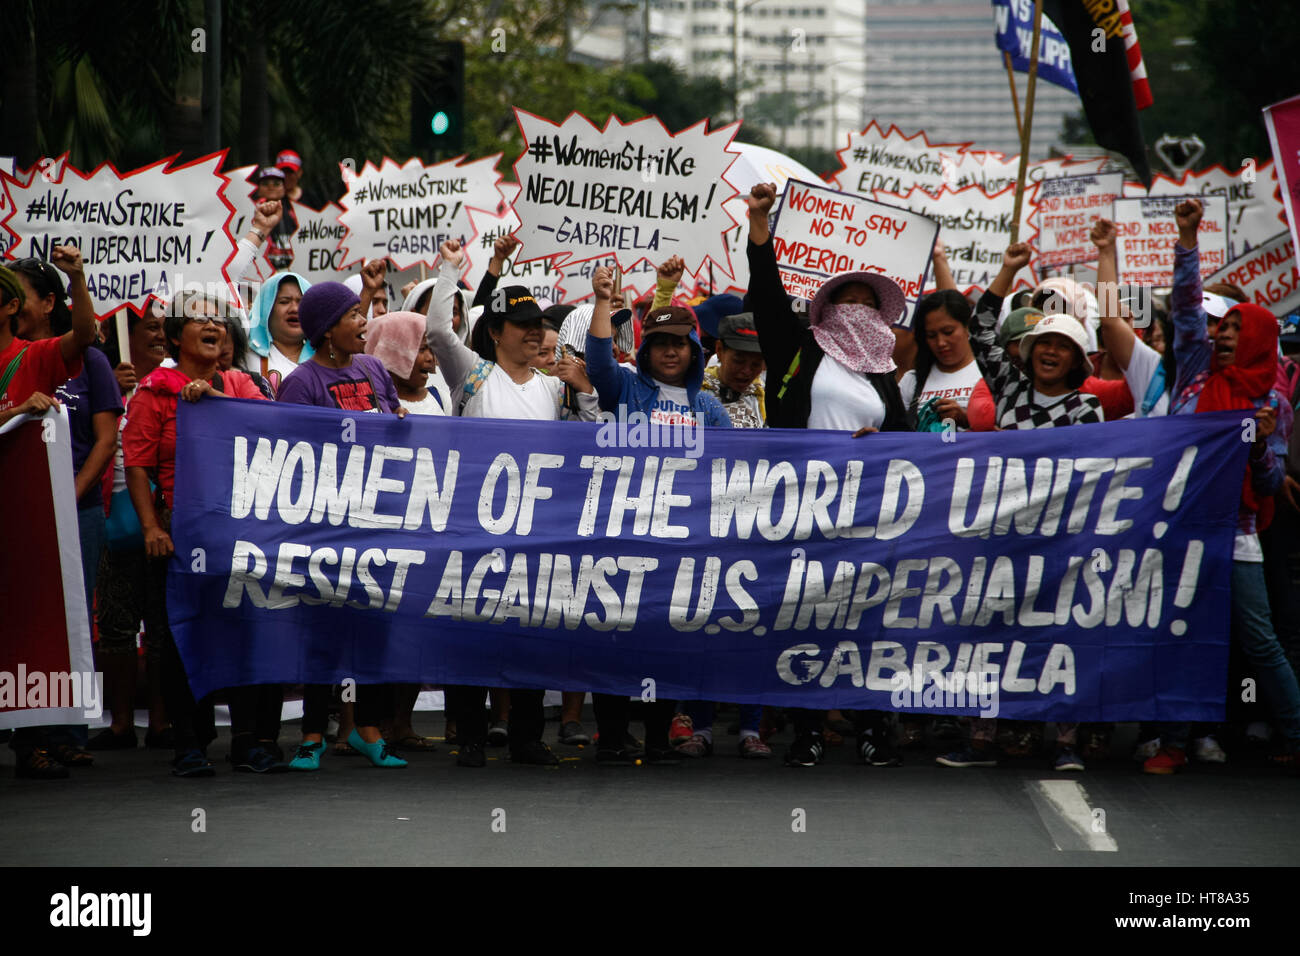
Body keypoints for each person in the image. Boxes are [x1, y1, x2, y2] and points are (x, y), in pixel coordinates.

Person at [743, 181, 908, 770]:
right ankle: (808, 731)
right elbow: (765, 297)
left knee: (862, 621)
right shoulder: (800, 348)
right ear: (828, 309)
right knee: (807, 617)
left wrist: (885, 442)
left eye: (868, 304)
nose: (856, 313)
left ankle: (870, 729)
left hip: (867, 513)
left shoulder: (886, 374)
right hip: (806, 506)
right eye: (847, 303)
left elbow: (913, 442)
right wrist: (760, 225)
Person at [1142, 197, 1300, 774]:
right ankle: (1175, 742)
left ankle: (1294, 731)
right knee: (1178, 634)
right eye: (1222, 327)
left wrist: (1257, 444)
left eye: (1237, 327)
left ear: (1260, 338)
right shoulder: (1194, 373)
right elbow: (1186, 310)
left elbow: (1272, 478)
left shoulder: (1271, 402)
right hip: (1179, 526)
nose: (1225, 334)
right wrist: (1187, 239)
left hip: (1234, 533)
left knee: (1260, 642)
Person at [425, 239, 597, 767]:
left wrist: (585, 388)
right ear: (496, 331)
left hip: (536, 532)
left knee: (531, 635)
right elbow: (435, 331)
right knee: (472, 635)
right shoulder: (472, 373)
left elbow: (589, 440)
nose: (532, 331)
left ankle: (526, 736)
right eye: (520, 324)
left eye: (537, 323)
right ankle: (472, 736)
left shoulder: (552, 387)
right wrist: (450, 267)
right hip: (473, 531)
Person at [937, 241, 1101, 773]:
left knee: (1058, 636)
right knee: (988, 632)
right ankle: (981, 739)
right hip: (1001, 537)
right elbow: (983, 321)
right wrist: (1008, 270)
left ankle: (1066, 744)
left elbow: (1095, 473)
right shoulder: (1008, 386)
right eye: (1042, 343)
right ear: (1028, 351)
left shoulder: (1086, 407)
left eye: (1062, 346)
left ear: (1077, 359)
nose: (1050, 352)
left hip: (1058, 540)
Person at [584, 264, 731, 766]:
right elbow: (598, 363)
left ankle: (655, 738)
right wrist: (604, 300)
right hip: (624, 536)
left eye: (681, 343)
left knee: (666, 641)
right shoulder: (626, 390)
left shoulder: (709, 409)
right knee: (614, 638)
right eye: (662, 342)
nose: (671, 350)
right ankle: (610, 736)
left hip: (681, 543)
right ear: (647, 350)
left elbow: (738, 470)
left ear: (695, 350)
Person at [122, 289, 272, 776]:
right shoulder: (153, 392)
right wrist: (150, 527)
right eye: (199, 321)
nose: (214, 327)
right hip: (178, 531)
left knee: (246, 630)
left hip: (240, 531)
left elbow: (270, 429)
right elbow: (138, 466)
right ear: (173, 338)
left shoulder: (240, 383)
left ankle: (249, 743)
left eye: (219, 322)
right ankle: (190, 742)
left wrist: (216, 401)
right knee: (182, 636)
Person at [276, 280, 410, 771]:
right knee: (325, 632)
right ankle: (313, 733)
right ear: (327, 329)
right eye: (354, 315)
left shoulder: (374, 368)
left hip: (377, 523)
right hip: (325, 528)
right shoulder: (302, 383)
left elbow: (395, 418)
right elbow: (288, 456)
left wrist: (399, 418)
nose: (364, 323)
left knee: (373, 628)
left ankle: (368, 731)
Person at [1, 251, 98, 779]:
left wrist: (78, 277)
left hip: (22, 514)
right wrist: (15, 411)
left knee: (31, 614)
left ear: (10, 306)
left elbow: (84, 336)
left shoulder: (35, 355)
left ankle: (32, 739)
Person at [900, 289, 996, 433]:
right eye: (932, 335)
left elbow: (1009, 433)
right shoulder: (912, 381)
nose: (941, 343)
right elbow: (893, 432)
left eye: (948, 332)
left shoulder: (992, 374)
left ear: (966, 326)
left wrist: (967, 419)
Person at [244, 272, 312, 396]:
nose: (294, 309)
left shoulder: (326, 356)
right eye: (284, 302)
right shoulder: (245, 349)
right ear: (266, 308)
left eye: (301, 302)